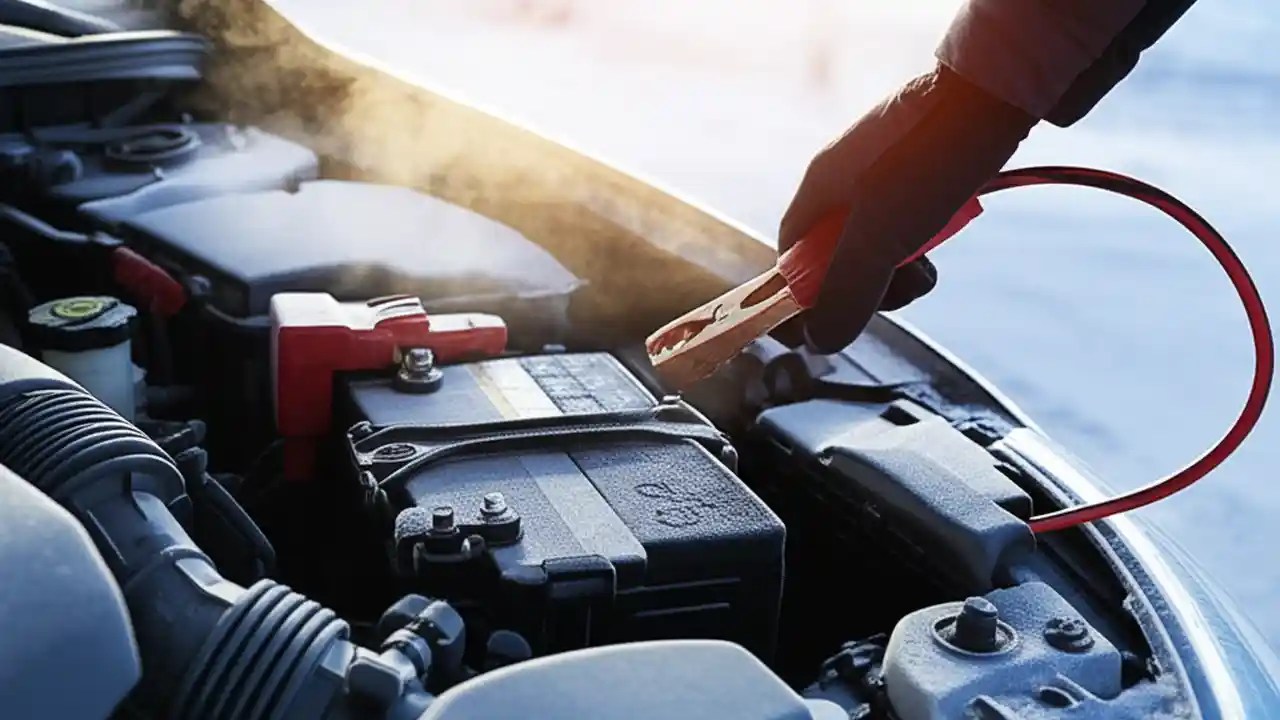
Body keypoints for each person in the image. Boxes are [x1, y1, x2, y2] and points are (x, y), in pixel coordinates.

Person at [775, 0, 1198, 353]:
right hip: (995, 64)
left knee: (878, 224)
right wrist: (965, 90)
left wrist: (980, 100)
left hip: (1000, 68)